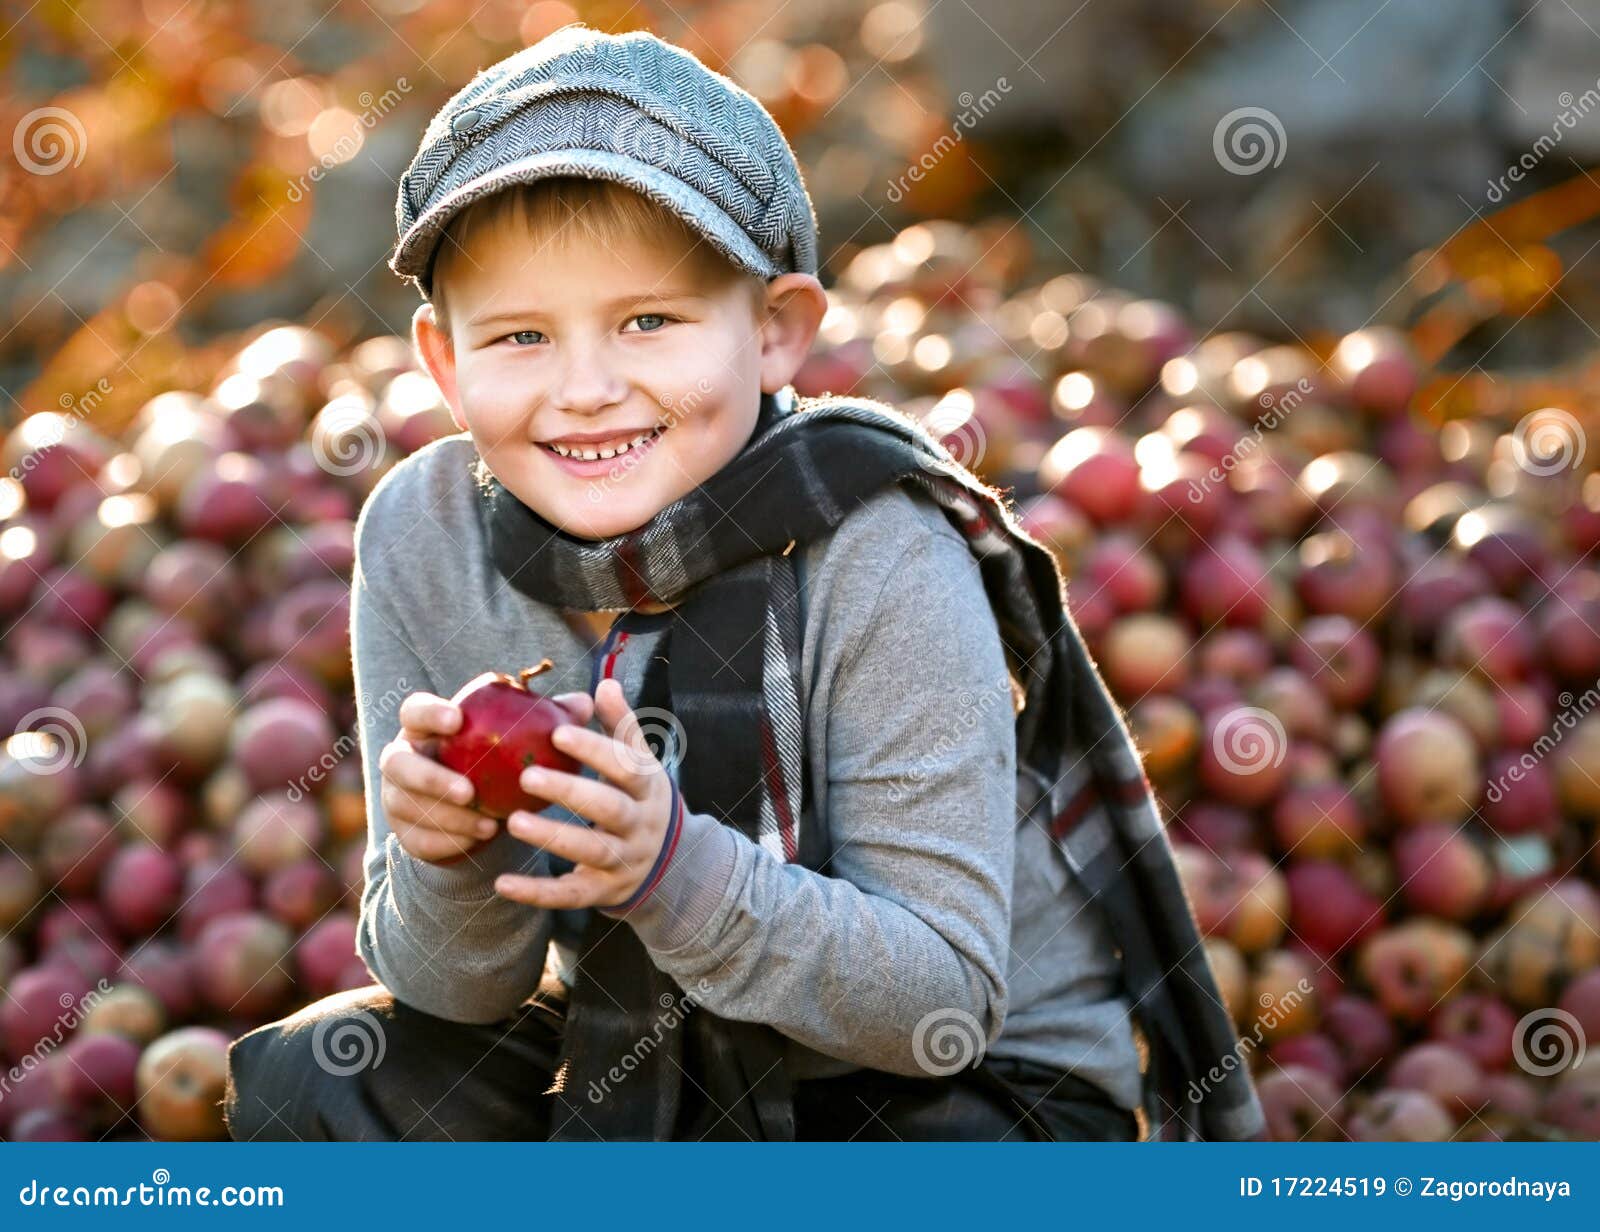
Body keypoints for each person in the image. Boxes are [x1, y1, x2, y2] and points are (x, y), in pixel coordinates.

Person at [223, 24, 1264, 1144]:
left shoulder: (878, 549)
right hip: (643, 1046)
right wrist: (450, 859)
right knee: (325, 1078)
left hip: (948, 1087)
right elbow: (456, 991)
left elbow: (941, 1007)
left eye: (648, 321)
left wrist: (672, 870)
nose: (585, 388)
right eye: (520, 335)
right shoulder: (423, 539)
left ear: (775, 333)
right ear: (442, 360)